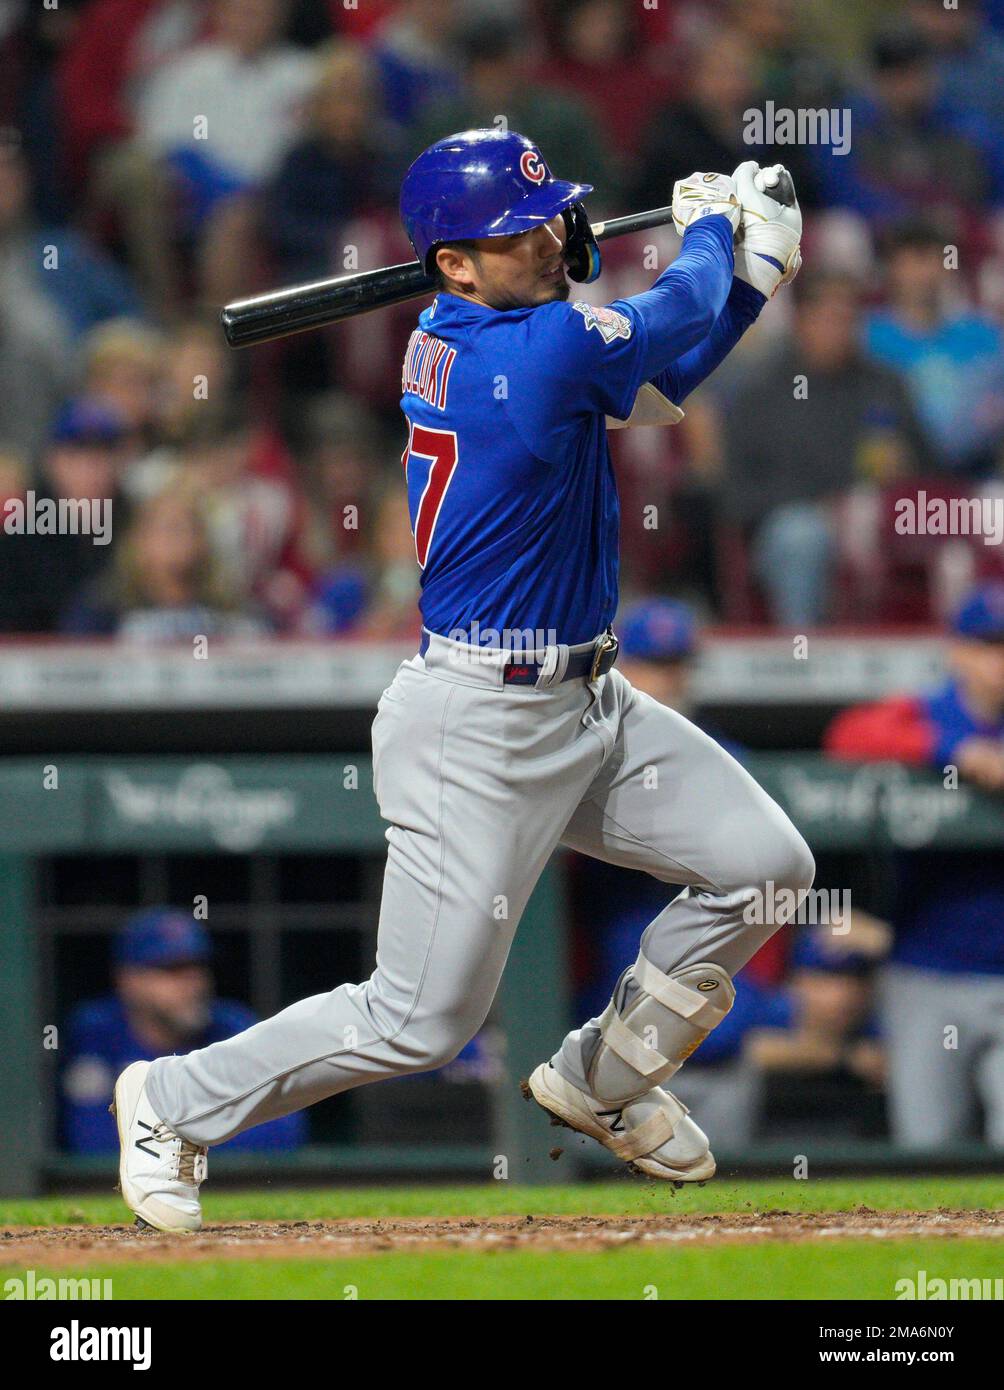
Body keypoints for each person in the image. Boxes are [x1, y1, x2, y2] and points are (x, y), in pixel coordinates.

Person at [114, 128, 814, 1232]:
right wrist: (719, 234)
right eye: (516, 232)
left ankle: (603, 1076)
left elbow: (655, 376)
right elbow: (658, 321)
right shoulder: (526, 353)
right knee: (418, 1020)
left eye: (548, 216)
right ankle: (171, 1100)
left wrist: (747, 277)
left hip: (589, 700)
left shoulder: (504, 336)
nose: (548, 238)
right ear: (452, 264)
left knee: (765, 867)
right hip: (476, 724)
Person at [825, 582, 1004, 1149]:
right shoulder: (924, 711)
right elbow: (848, 736)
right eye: (987, 646)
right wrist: (955, 751)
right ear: (958, 651)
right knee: (927, 1147)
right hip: (926, 969)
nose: (998, 661)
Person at [62, 909, 306, 1154]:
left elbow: (281, 1135)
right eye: (171, 969)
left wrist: (163, 1142)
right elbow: (92, 1143)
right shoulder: (98, 1031)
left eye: (196, 966)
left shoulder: (232, 1027)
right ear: (129, 979)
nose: (193, 982)